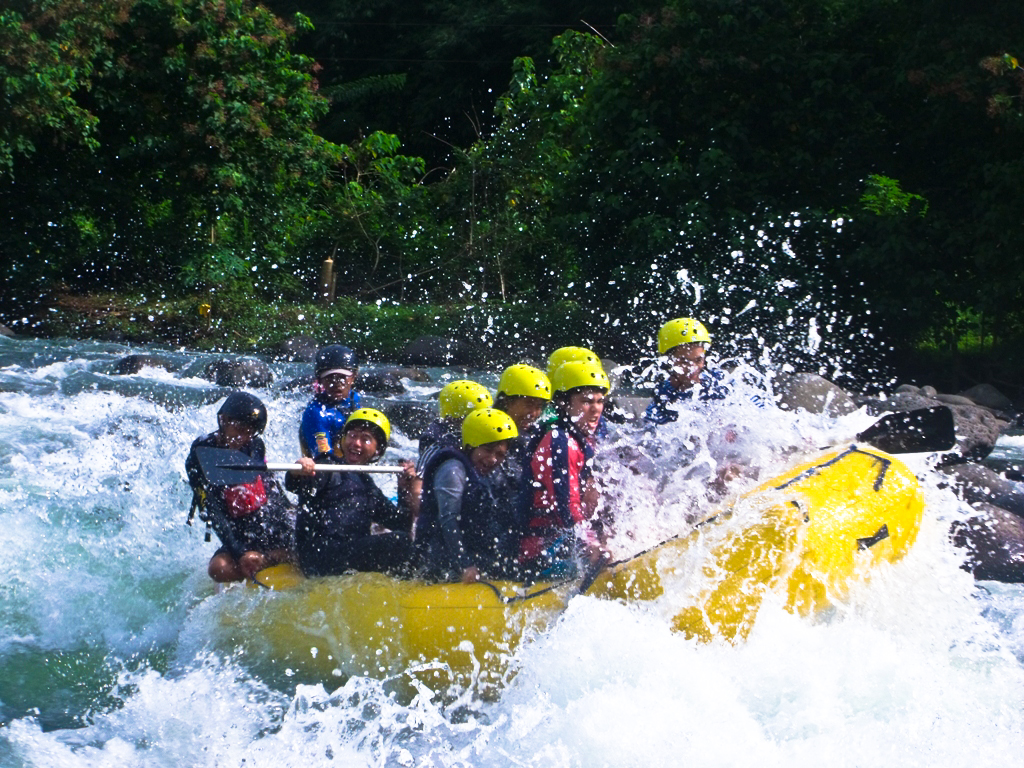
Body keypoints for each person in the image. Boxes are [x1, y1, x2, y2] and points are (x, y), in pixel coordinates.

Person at [287, 408, 419, 577]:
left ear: (378, 450)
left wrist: (403, 488)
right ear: (343, 439)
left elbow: (401, 523)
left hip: (347, 554)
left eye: (366, 439)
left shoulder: (368, 486)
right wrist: (298, 471)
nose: (356, 443)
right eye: (352, 435)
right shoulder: (327, 466)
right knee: (400, 542)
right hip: (319, 558)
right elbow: (299, 485)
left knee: (407, 539)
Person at [185, 392, 294, 582]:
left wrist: (288, 510)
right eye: (240, 429)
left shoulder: (255, 445)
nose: (244, 437)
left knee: (307, 540)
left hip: (265, 518)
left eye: (250, 432)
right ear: (224, 420)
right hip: (237, 526)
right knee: (218, 568)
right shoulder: (202, 452)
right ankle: (259, 559)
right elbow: (212, 509)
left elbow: (269, 486)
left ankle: (267, 559)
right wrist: (240, 552)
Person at [520, 360, 610, 579]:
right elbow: (566, 507)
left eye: (599, 401)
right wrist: (591, 542)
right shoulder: (560, 442)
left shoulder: (578, 439)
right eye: (586, 401)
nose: (595, 409)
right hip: (540, 551)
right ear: (563, 403)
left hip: (562, 537)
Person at [417, 408, 521, 583]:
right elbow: (448, 521)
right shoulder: (452, 470)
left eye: (500, 454)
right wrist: (465, 564)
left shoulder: (490, 473)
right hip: (439, 556)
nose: (493, 459)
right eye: (487, 450)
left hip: (473, 552)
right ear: (471, 445)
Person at [644, 318, 731, 425]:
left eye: (698, 360)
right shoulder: (658, 407)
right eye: (684, 362)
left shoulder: (722, 383)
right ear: (668, 362)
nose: (693, 368)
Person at [493, 364, 552, 490]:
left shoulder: (535, 435)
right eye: (529, 404)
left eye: (539, 406)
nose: (534, 413)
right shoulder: (487, 434)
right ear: (507, 401)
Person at [416, 379, 493, 474]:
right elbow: (421, 480)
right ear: (452, 419)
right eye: (478, 419)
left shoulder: (490, 445)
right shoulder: (438, 447)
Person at [300, 344, 362, 458]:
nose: (336, 383)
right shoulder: (316, 413)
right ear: (320, 381)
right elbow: (324, 459)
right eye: (329, 378)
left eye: (343, 377)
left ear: (353, 377)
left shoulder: (354, 398)